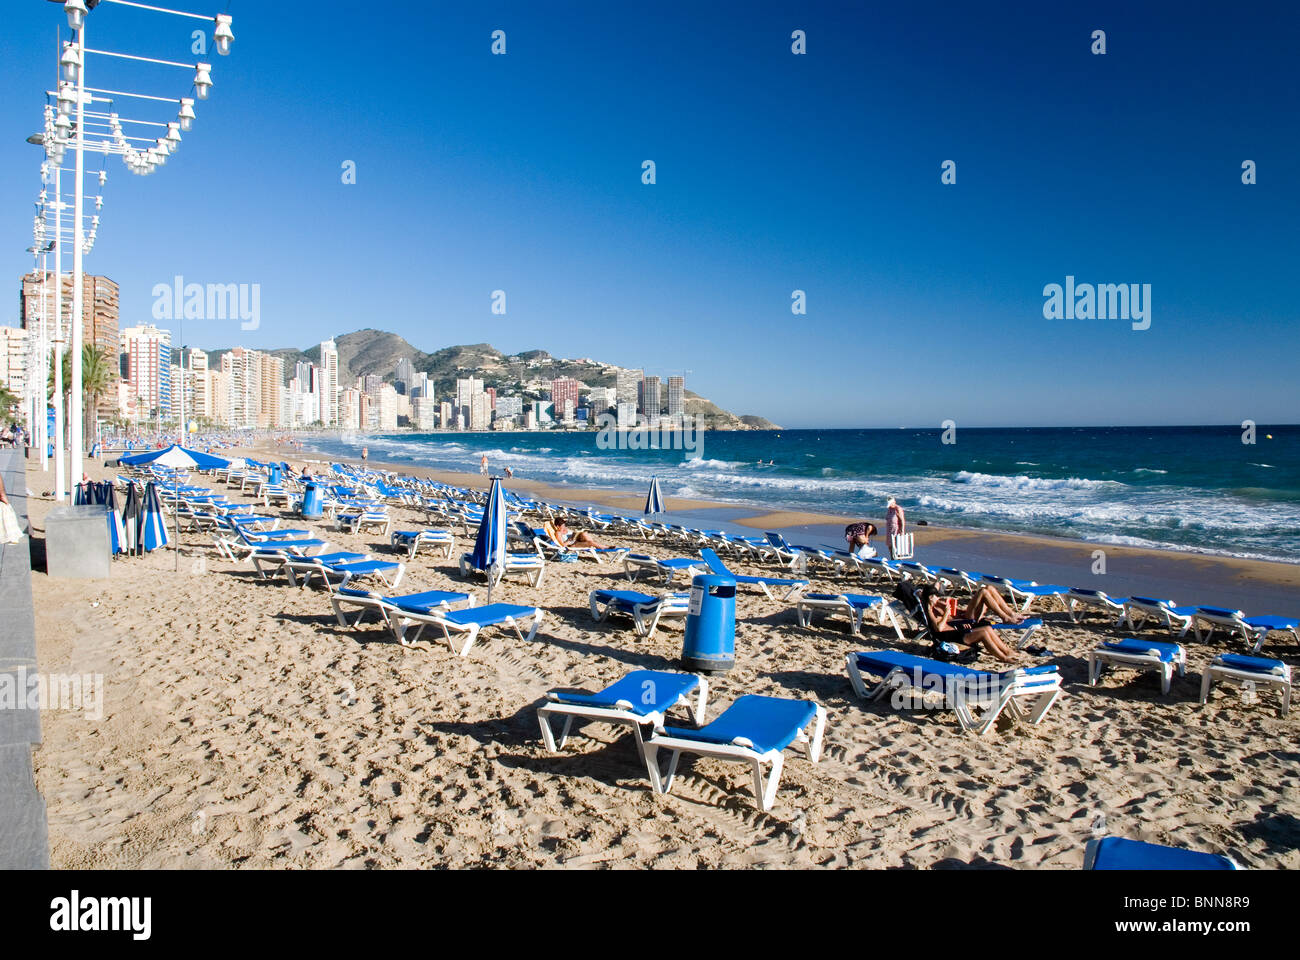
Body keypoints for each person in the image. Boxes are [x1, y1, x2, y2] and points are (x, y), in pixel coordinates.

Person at [919, 583, 1022, 664]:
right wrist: (946, 612)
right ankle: (1003, 657)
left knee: (988, 629)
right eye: (936, 596)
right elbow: (939, 628)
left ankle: (1007, 651)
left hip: (958, 630)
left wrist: (958, 619)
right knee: (984, 632)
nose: (938, 597)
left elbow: (949, 619)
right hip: (953, 637)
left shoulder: (937, 605)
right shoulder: (930, 611)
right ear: (930, 598)